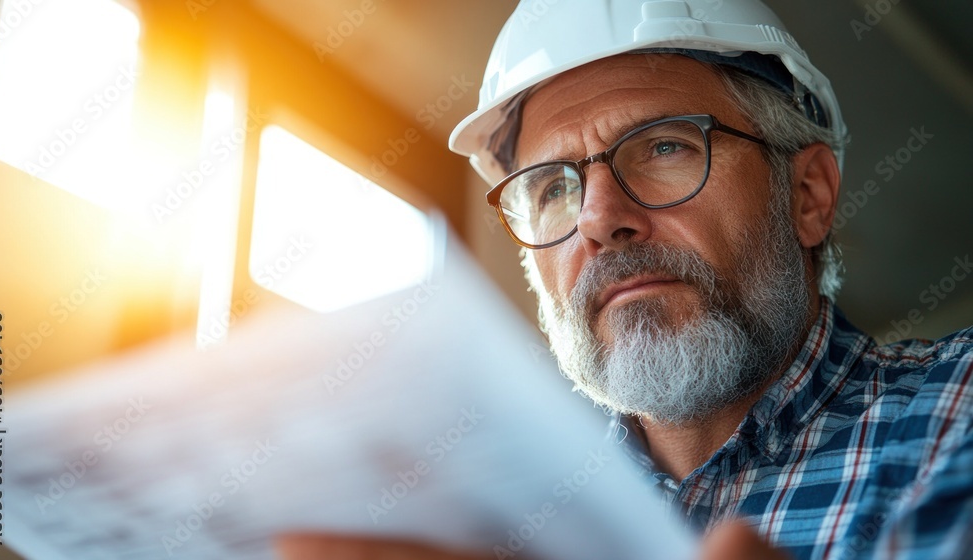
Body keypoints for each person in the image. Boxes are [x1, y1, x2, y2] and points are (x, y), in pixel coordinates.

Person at [278, 0, 973, 558]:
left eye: (665, 147)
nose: (599, 219)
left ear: (808, 195)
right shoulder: (496, 506)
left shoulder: (958, 410)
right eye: (553, 187)